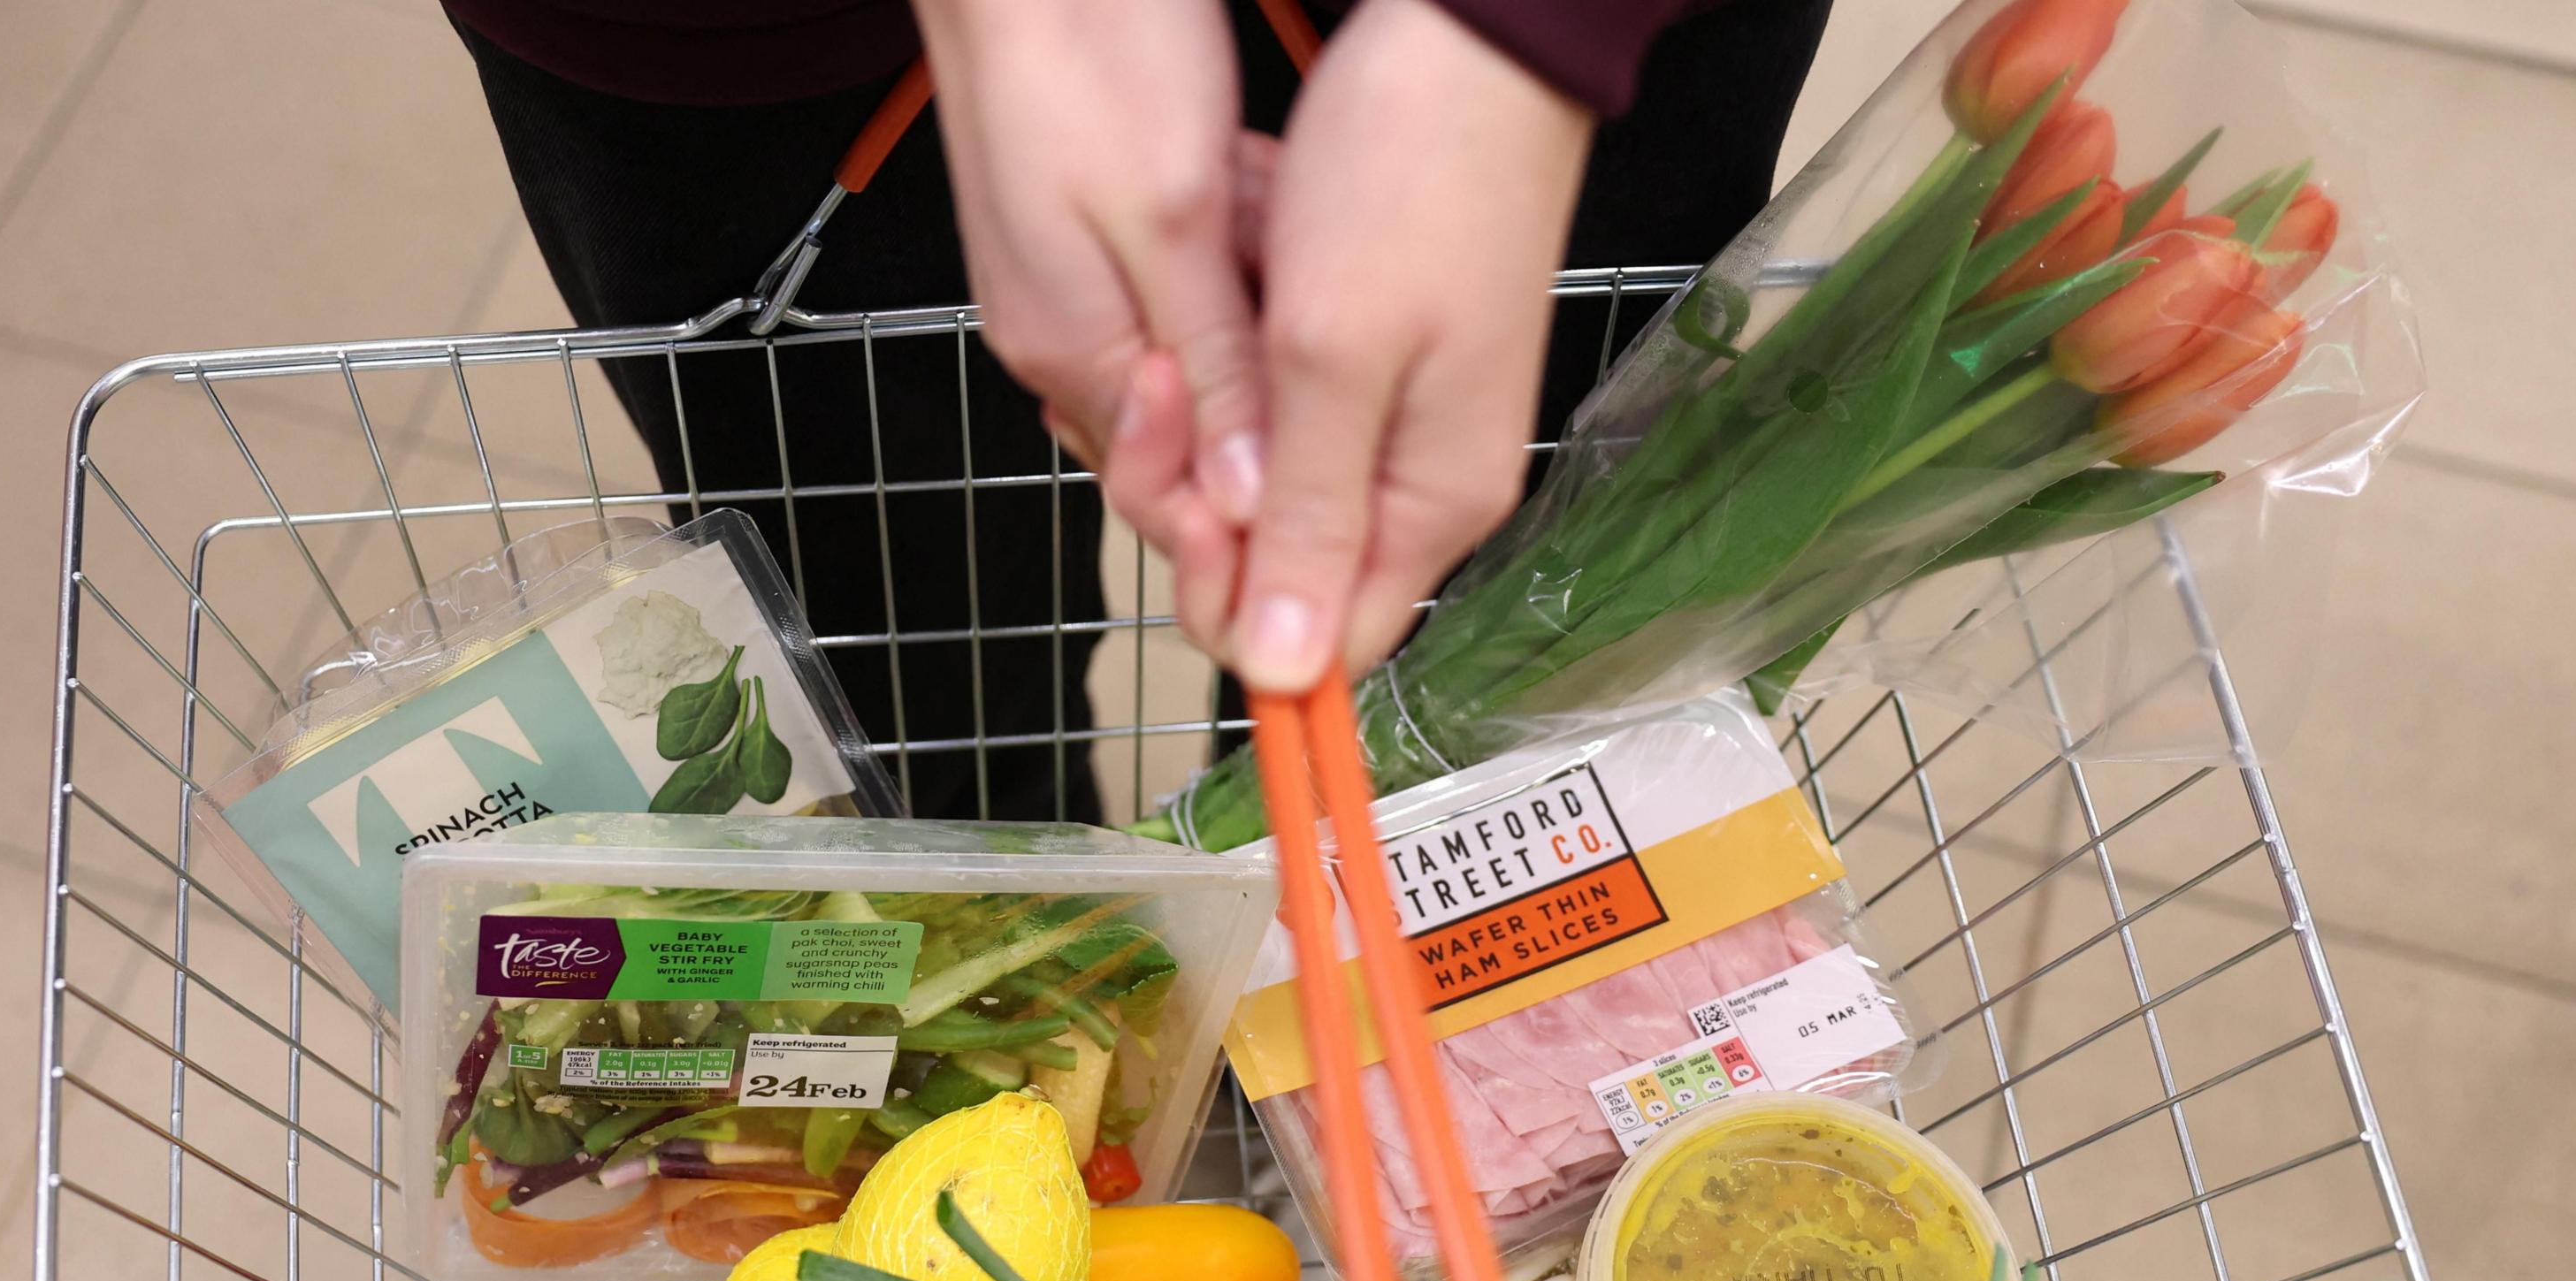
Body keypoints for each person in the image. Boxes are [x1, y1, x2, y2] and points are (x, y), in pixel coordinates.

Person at [444, 0, 1830, 822]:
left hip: (1592, 53)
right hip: (770, 47)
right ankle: (1050, 1045)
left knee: (1449, 696)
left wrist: (1523, 38)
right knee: (899, 683)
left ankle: (1312, 1014)